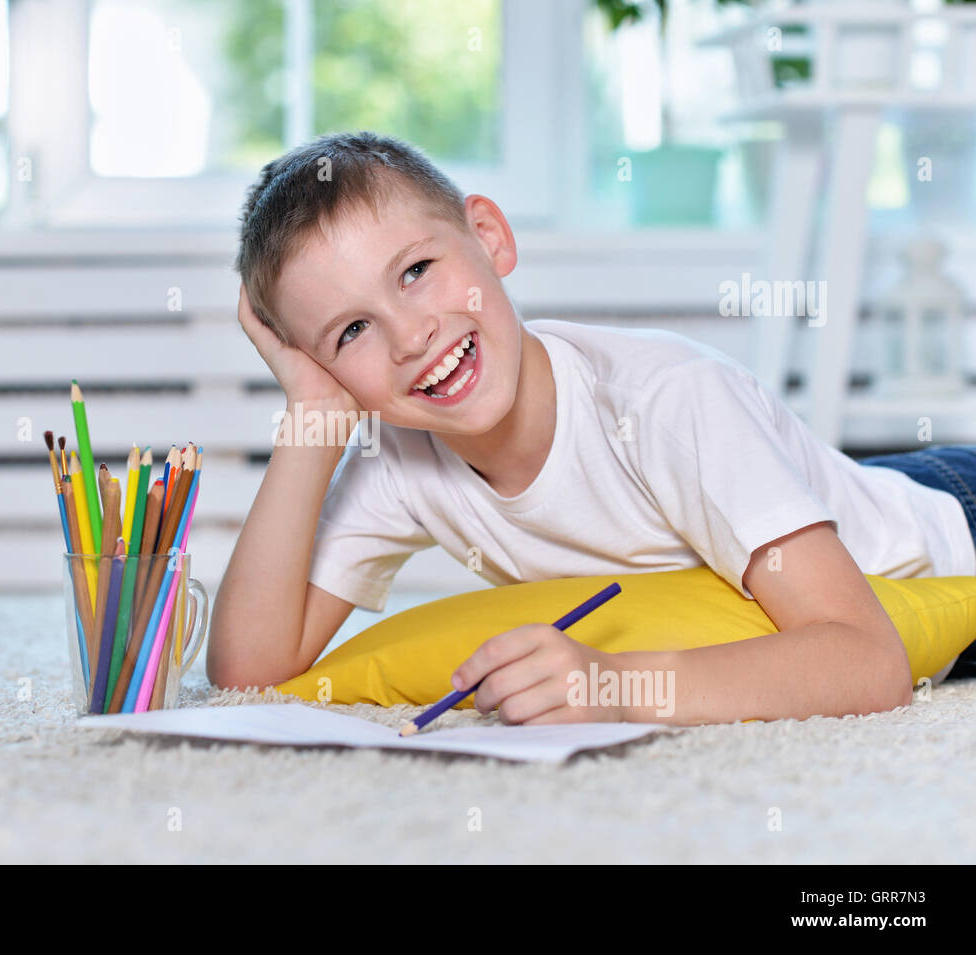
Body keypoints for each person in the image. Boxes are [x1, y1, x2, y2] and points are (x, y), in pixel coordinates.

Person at [208, 130, 976, 726]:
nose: (411, 336)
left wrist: (616, 685)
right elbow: (248, 672)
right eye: (351, 333)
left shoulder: (667, 401)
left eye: (415, 271)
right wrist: (313, 417)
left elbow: (867, 660)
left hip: (949, 519)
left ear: (491, 236)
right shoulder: (401, 462)